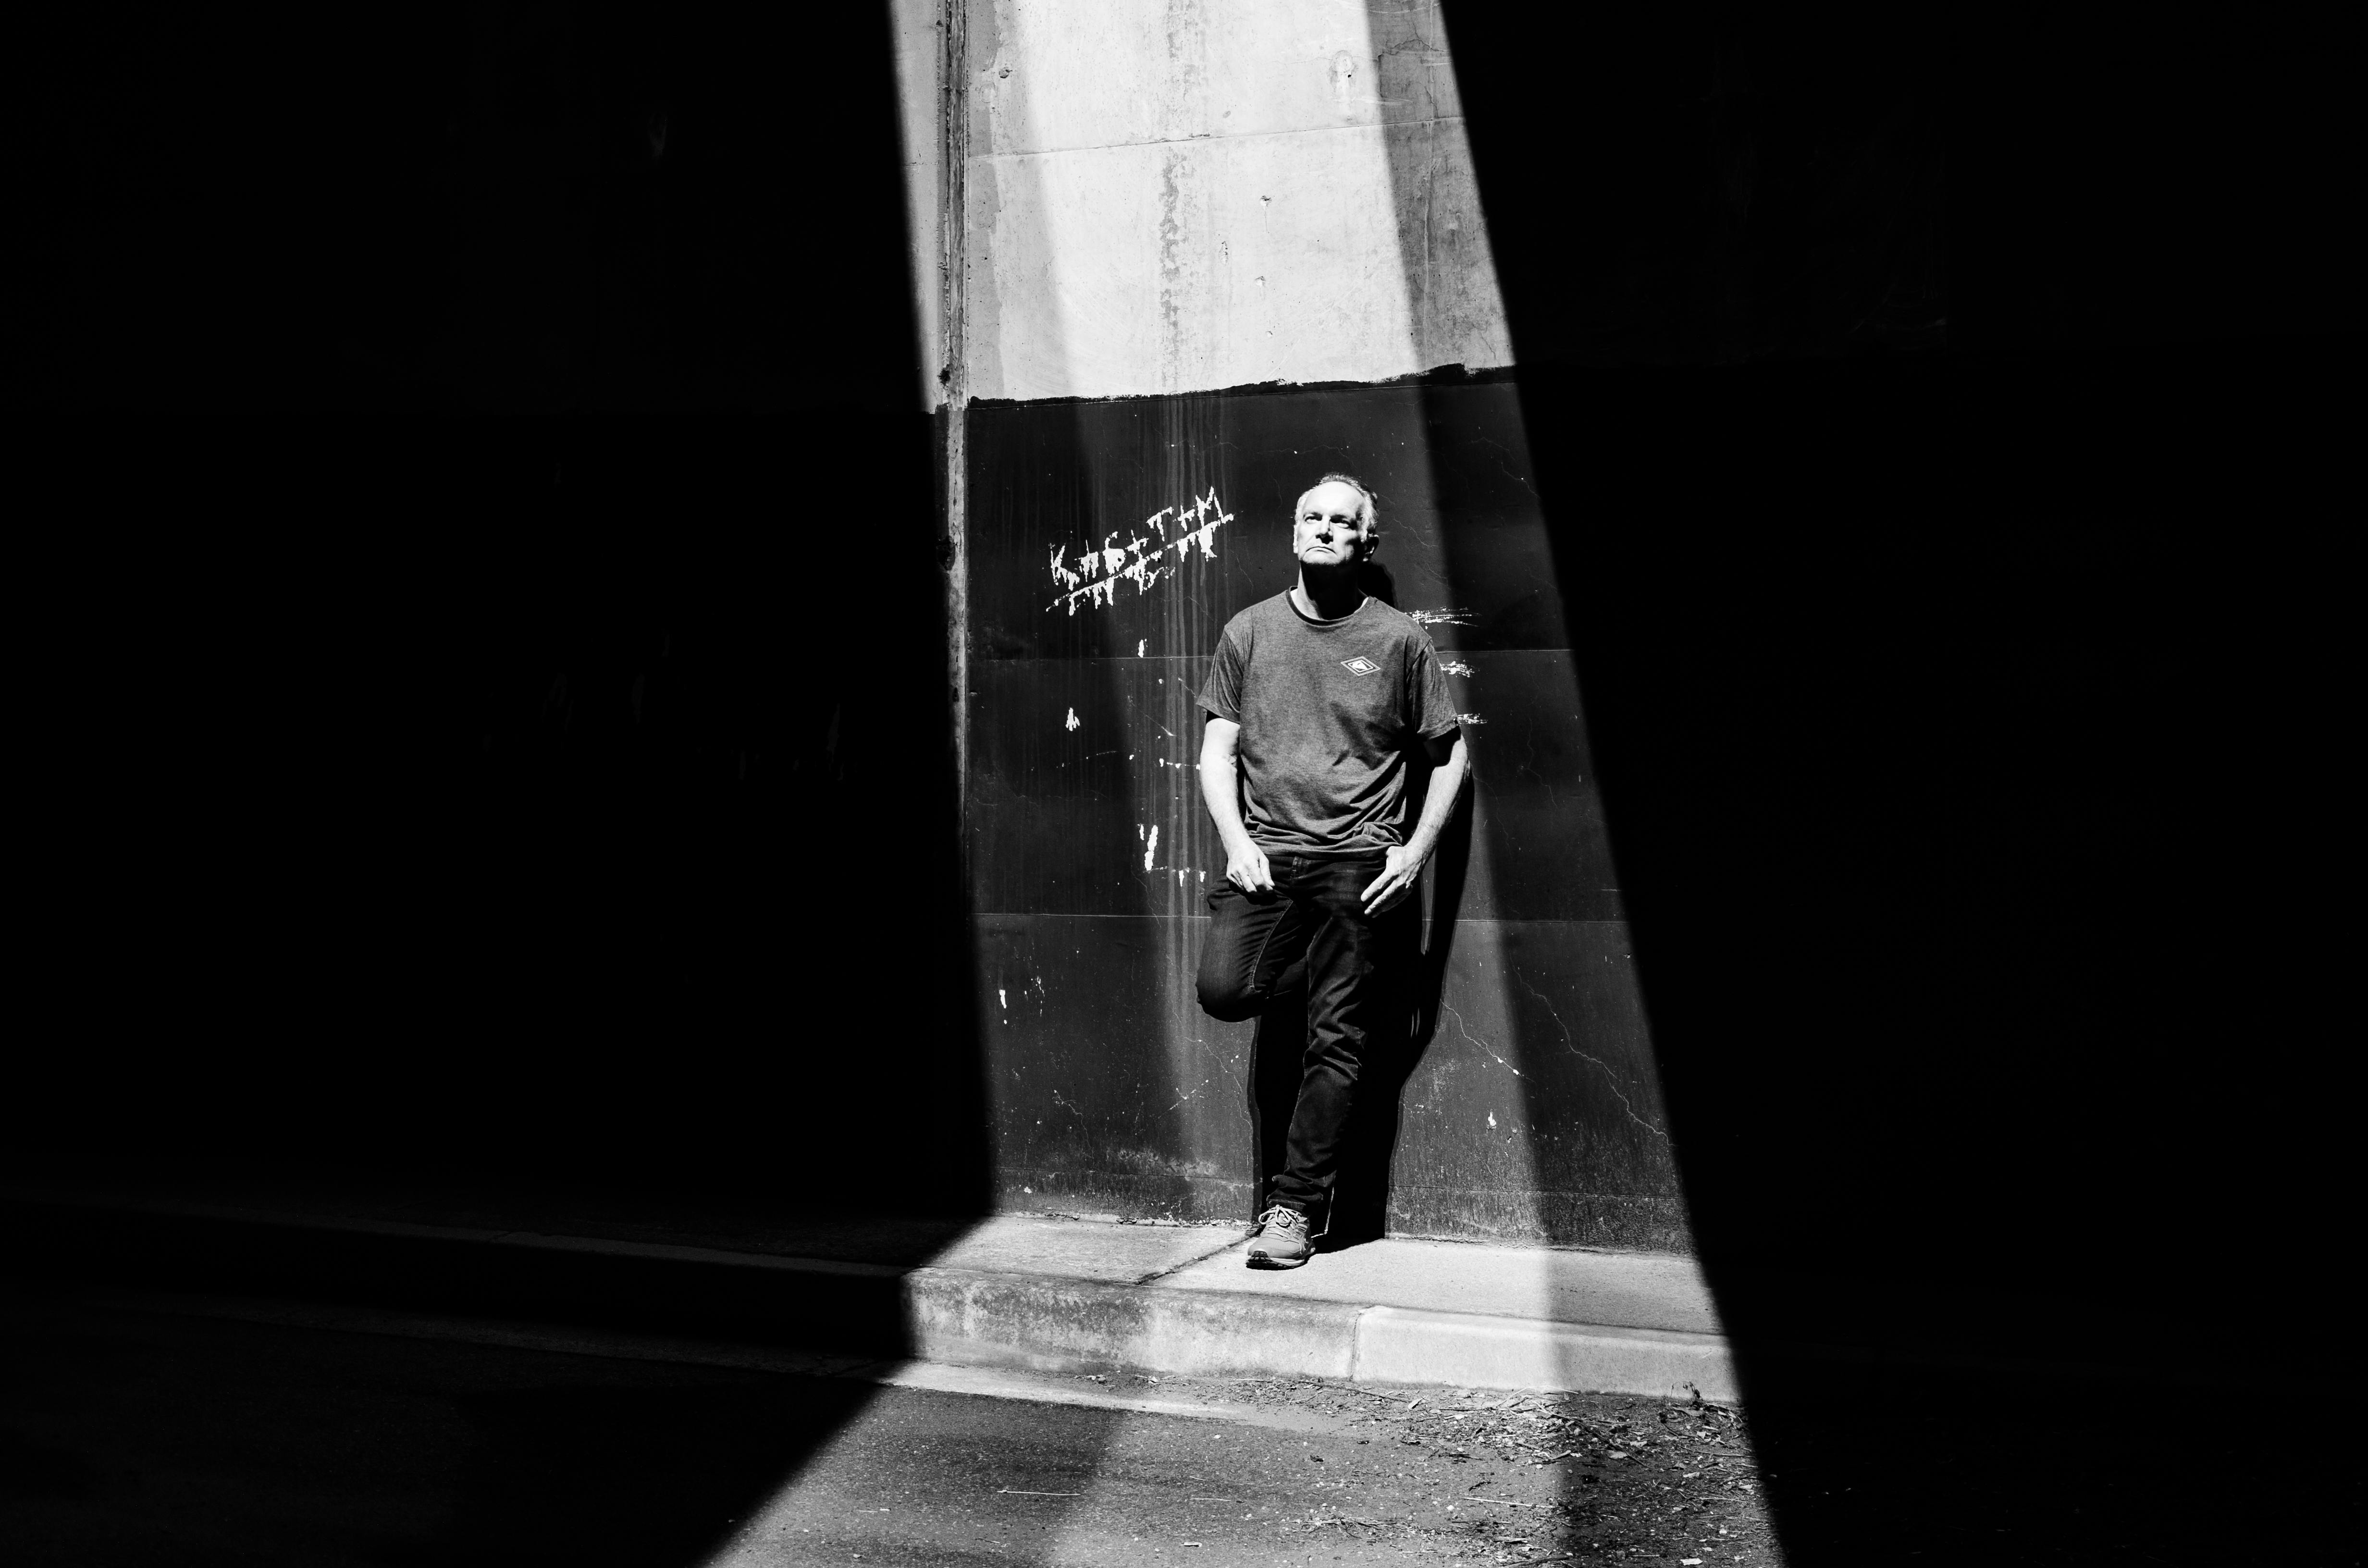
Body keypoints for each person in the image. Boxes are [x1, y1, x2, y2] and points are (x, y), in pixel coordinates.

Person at [1194, 474, 1469, 1268]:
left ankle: (1293, 1211)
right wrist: (1238, 839)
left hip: (1359, 865)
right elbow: (1217, 752)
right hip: (1270, 862)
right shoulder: (1248, 632)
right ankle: (1320, 961)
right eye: (1311, 516)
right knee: (1226, 988)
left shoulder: (1397, 641)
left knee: (1335, 1045)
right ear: (1293, 532)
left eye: (1342, 523)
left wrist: (1413, 854)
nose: (1324, 529)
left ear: (1365, 543)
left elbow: (1450, 760)